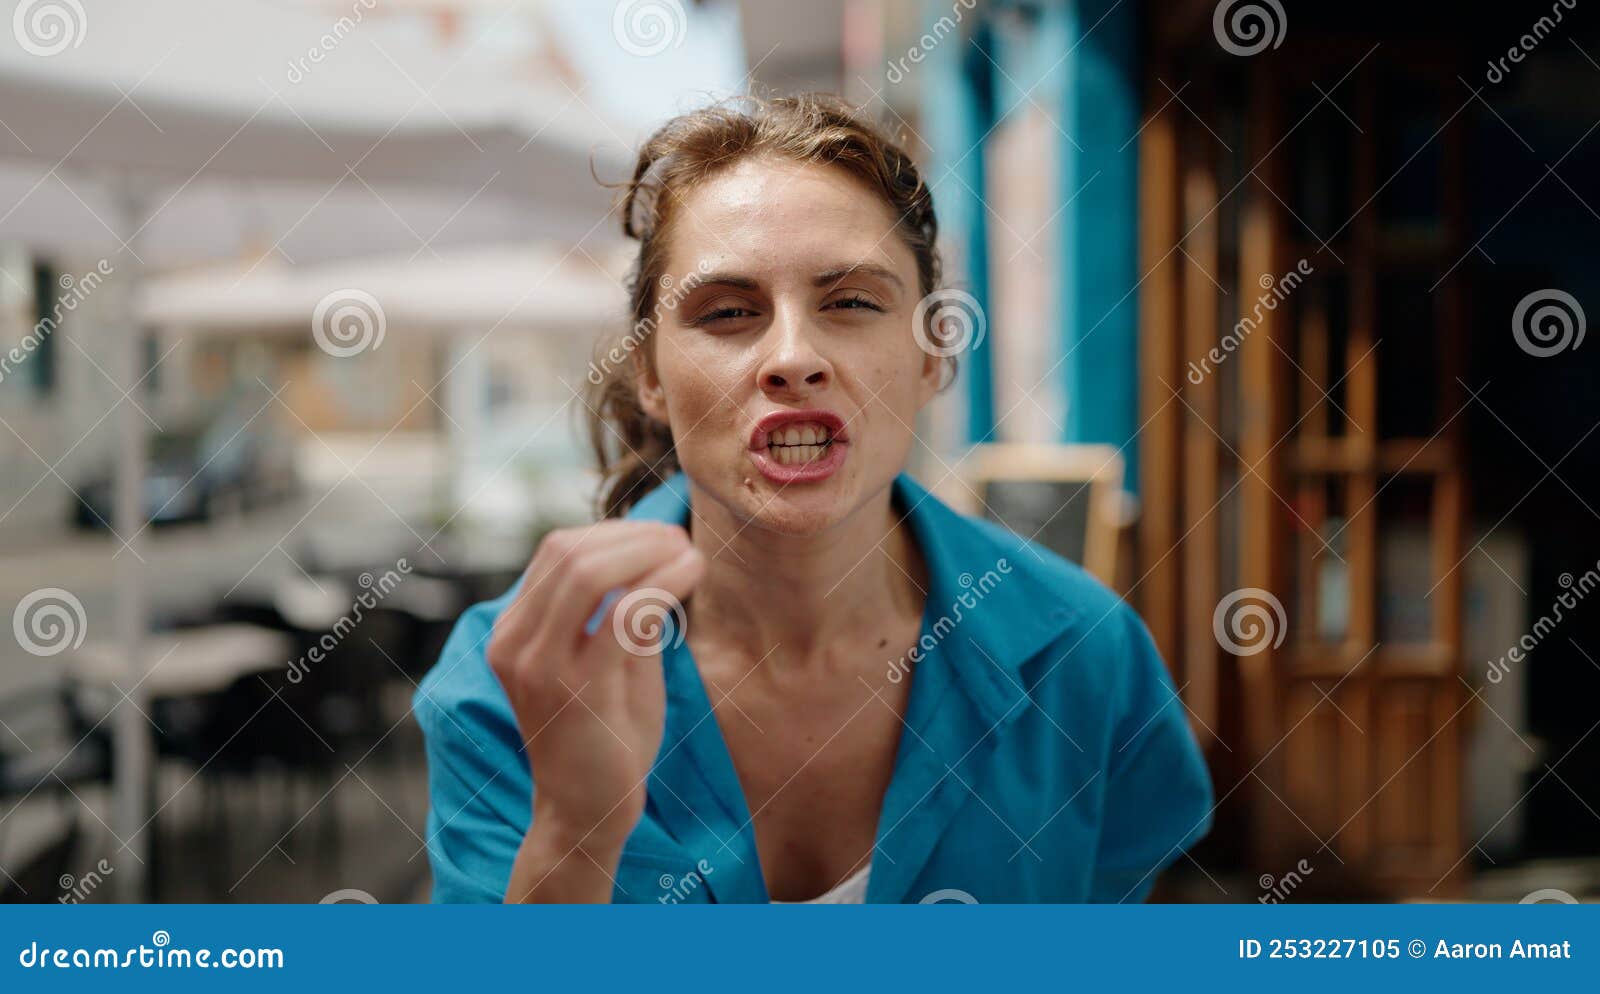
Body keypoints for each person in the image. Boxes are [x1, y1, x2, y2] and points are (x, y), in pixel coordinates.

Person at [415, 93, 1212, 903]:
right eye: (727, 312)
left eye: (853, 301)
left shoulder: (1084, 657)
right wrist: (575, 832)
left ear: (933, 355)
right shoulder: (512, 681)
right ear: (651, 374)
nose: (793, 358)